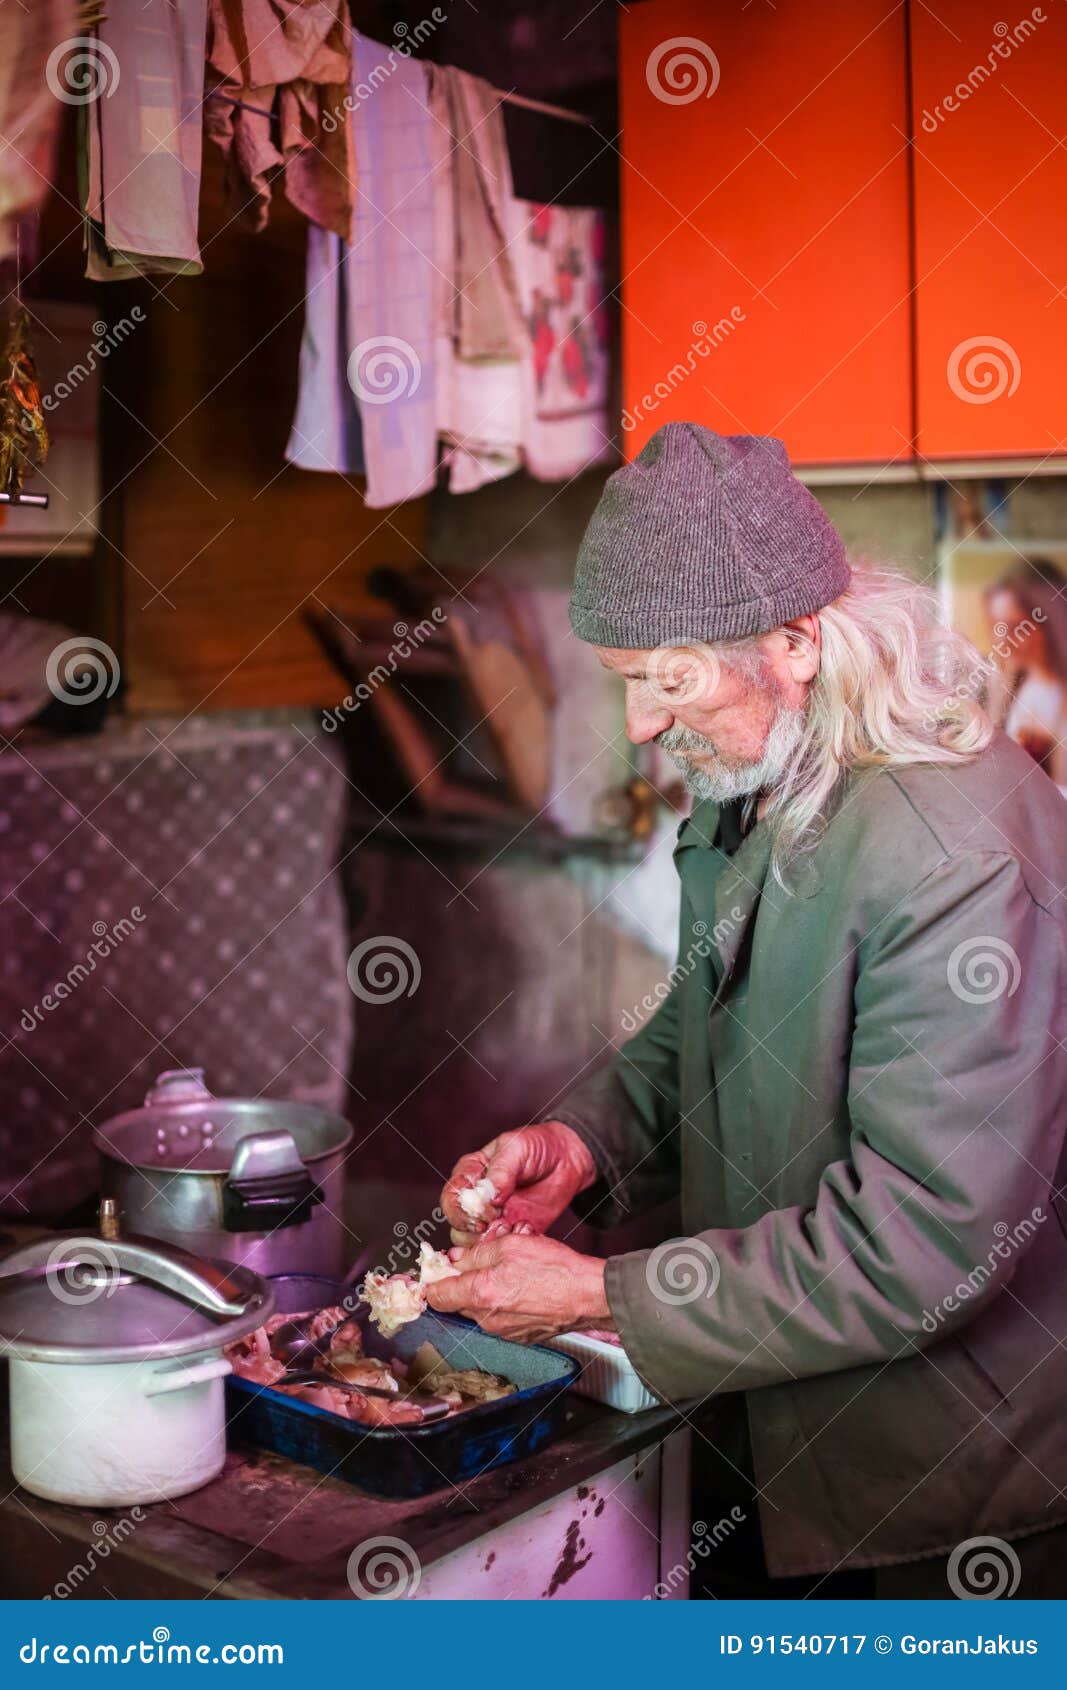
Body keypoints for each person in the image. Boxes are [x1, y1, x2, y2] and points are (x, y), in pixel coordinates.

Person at [425, 424, 1067, 1598]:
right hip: (767, 1423)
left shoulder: (950, 853)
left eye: (668, 680)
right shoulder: (766, 776)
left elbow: (923, 1239)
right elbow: (704, 1024)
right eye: (625, 679)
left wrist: (598, 1292)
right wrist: (581, 1144)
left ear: (795, 642)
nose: (640, 724)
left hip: (935, 1489)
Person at [986, 556, 1067, 791]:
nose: (1003, 641)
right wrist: (996, 706)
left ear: (1050, 624)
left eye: (1016, 627)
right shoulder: (1012, 682)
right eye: (999, 627)